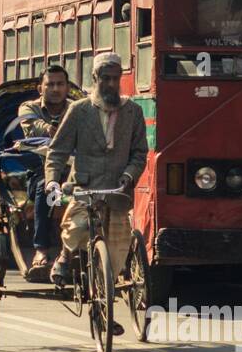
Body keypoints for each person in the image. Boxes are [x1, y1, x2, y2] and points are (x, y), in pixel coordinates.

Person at [45, 52, 148, 292]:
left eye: (115, 78)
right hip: (84, 188)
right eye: (105, 78)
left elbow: (140, 153)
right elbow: (58, 151)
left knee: (116, 251)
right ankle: (65, 256)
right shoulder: (79, 111)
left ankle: (104, 304)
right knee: (78, 226)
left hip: (117, 190)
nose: (111, 84)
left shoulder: (132, 112)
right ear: (95, 77)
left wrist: (129, 175)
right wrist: (52, 182)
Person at [19, 65, 71, 281]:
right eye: (50, 84)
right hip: (39, 171)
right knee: (46, 189)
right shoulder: (28, 108)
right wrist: (52, 129)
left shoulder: (77, 108)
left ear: (67, 88)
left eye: (60, 84)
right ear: (40, 88)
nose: (55, 89)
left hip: (72, 170)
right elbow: (34, 127)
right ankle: (41, 248)